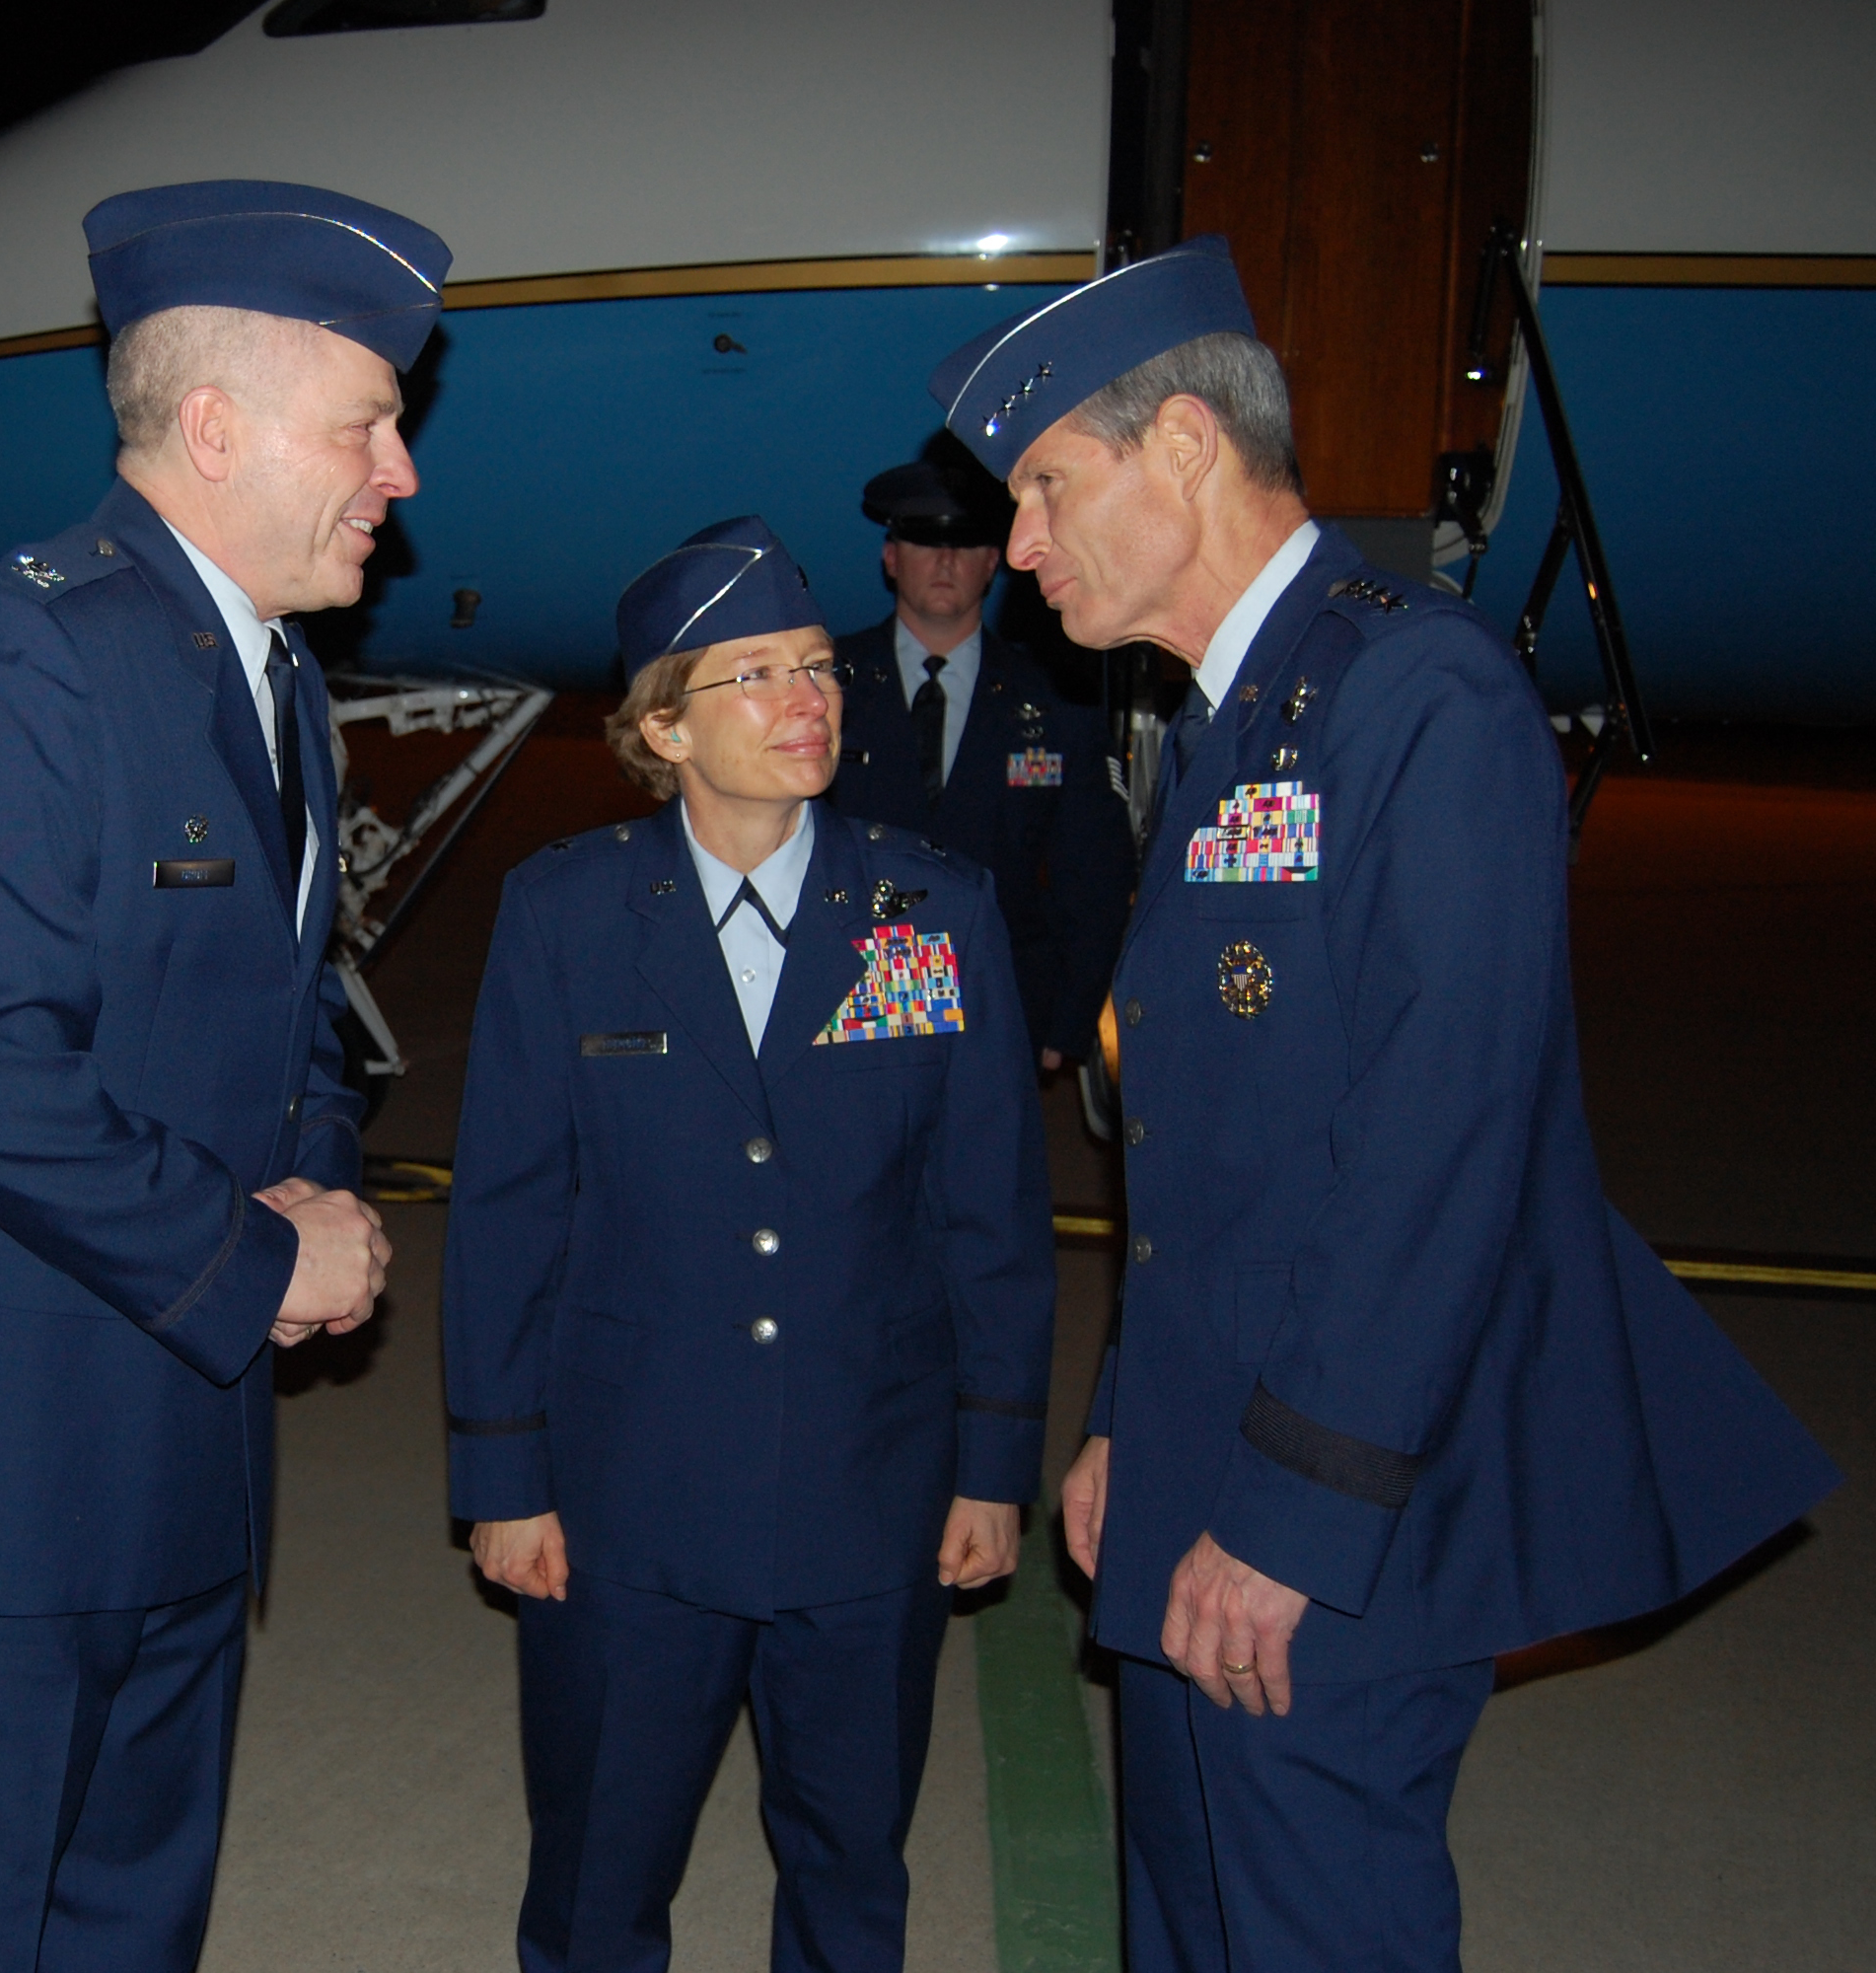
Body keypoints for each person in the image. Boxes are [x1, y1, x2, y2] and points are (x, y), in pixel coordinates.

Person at [928, 235, 1840, 1972]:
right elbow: (1210, 1154)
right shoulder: (1233, 719)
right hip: (1218, 1443)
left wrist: (1287, 1520)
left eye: (1043, 489)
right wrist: (1131, 1416)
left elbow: (1438, 1150)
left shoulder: (1413, 695)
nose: (1016, 543)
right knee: (1188, 1930)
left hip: (1333, 1509)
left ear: (1183, 447)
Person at [0, 180, 428, 1971]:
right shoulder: (22, 655)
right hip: (15, 1490)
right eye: (368, 426)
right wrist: (264, 1264)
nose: (399, 473)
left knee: (130, 1925)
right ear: (211, 427)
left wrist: (323, 1181)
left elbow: (295, 1010)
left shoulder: (270, 681)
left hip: (188, 1459)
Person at [443, 516, 1056, 1973]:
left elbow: (992, 1213)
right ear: (664, 723)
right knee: (600, 1874)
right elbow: (507, 1215)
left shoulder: (931, 912)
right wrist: (502, 1476)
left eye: (817, 668)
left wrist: (991, 1465)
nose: (811, 701)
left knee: (852, 1874)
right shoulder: (569, 917)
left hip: (869, 1494)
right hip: (627, 1501)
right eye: (756, 676)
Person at [827, 452, 1133, 1071]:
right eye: (924, 541)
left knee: (982, 1166)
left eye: (965, 544)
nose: (945, 561)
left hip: (997, 996)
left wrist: (1070, 1020)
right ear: (891, 557)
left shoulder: (1054, 700)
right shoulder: (825, 686)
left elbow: (1094, 872)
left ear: (993, 561)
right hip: (846, 989)